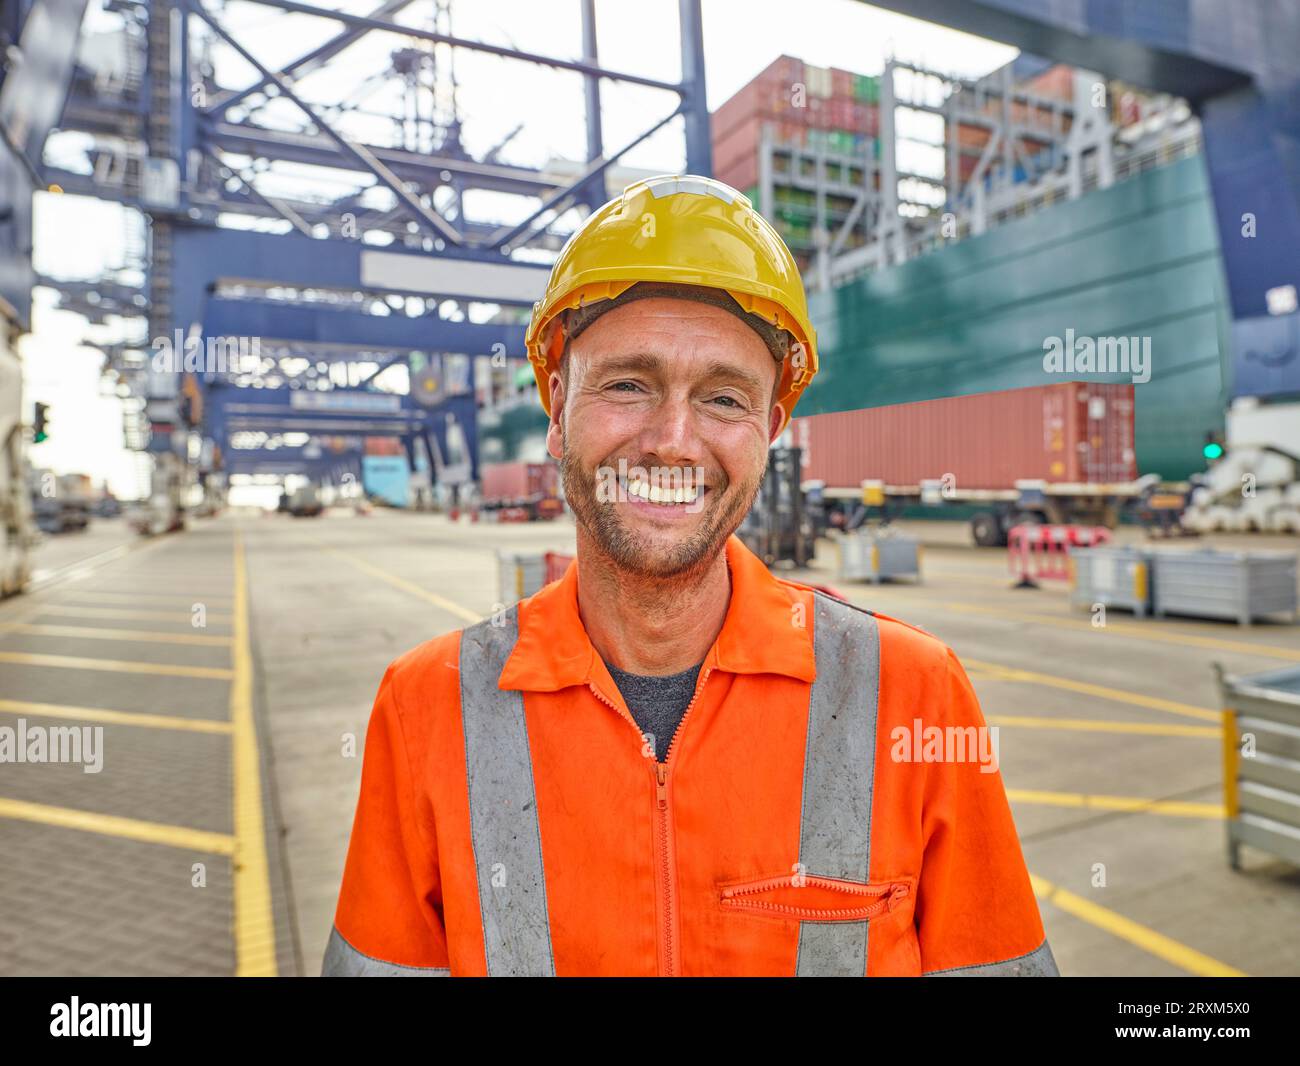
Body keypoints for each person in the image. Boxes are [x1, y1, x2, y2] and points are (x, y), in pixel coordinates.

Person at [322, 174, 1058, 977]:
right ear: (556, 404)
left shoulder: (914, 695)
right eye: (629, 384)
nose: (673, 442)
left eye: (723, 398)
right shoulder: (426, 707)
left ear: (770, 429)